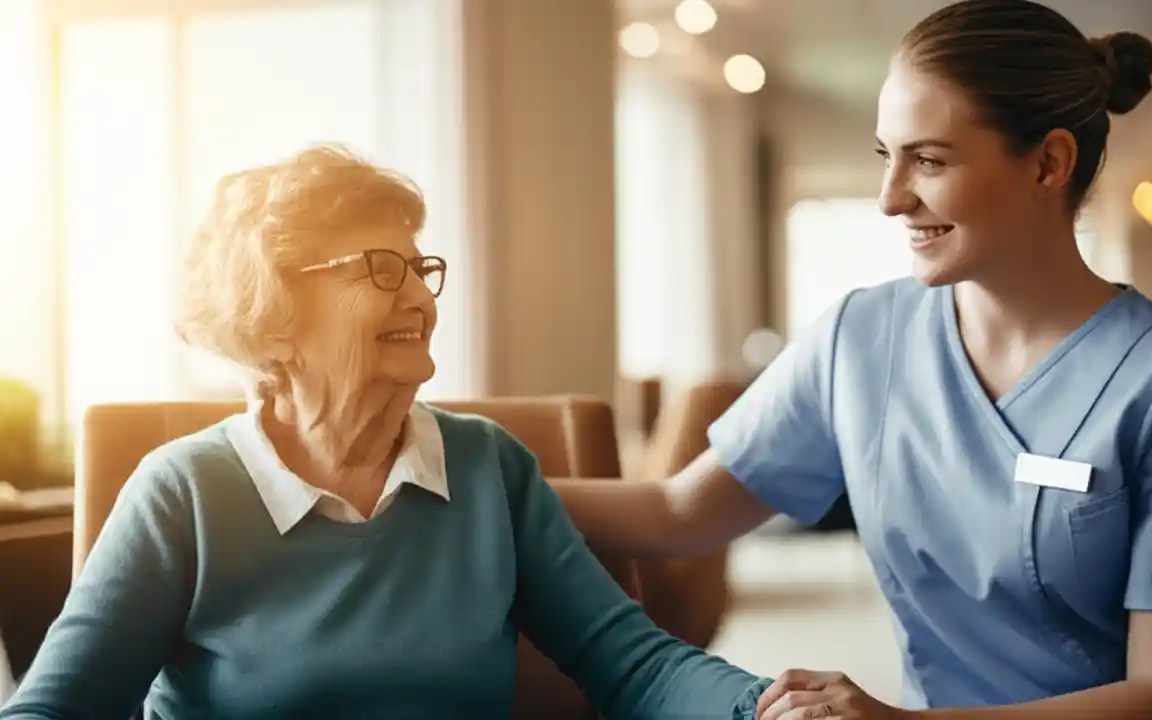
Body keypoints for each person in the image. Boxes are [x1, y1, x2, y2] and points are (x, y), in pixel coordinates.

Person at [554, 1, 1152, 718]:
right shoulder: (861, 338)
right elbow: (677, 512)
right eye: (886, 157)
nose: (891, 198)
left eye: (928, 159)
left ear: (1050, 163)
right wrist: (469, 463)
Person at [0, 145, 771, 719]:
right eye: (379, 269)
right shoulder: (184, 493)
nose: (420, 300)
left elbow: (633, 665)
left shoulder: (487, 468)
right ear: (272, 315)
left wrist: (765, 707)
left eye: (419, 267)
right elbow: (56, 710)